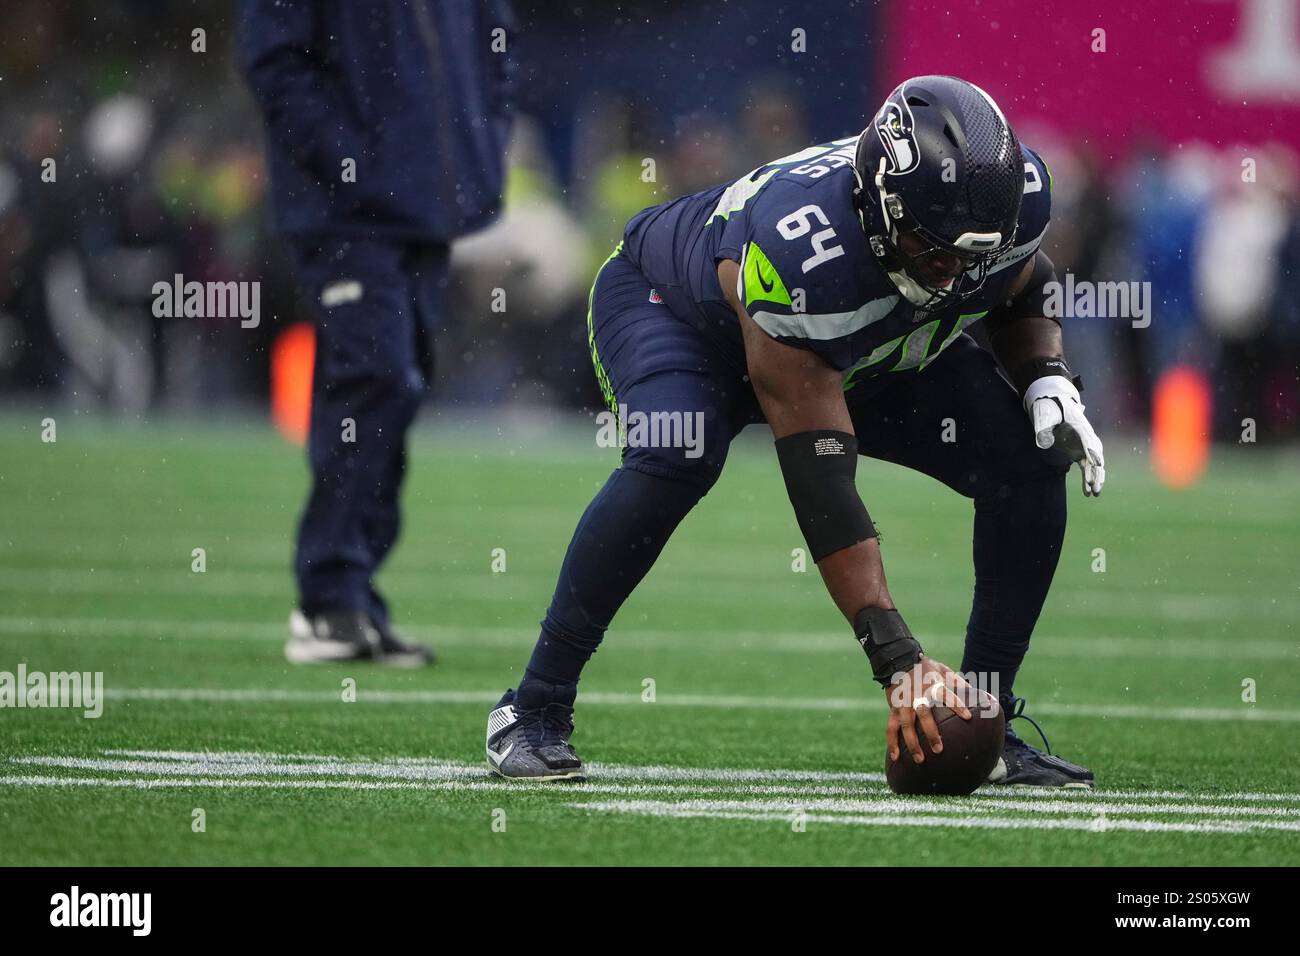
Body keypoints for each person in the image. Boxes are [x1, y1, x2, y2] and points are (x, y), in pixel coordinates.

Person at [486, 76, 1104, 787]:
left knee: (1028, 457)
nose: (954, 276)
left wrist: (1045, 375)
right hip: (678, 315)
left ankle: (991, 715)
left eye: (973, 257)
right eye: (936, 253)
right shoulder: (805, 256)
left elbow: (1023, 281)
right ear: (881, 205)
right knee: (677, 453)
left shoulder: (1001, 205)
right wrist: (898, 662)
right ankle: (531, 708)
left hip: (850, 340)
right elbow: (822, 483)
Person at [239, 0, 513, 665]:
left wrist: (480, 148)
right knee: (377, 378)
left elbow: (496, 51)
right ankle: (328, 600)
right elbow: (273, 60)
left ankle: (354, 597)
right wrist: (350, 160)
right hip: (347, 212)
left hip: (425, 206)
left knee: (400, 385)